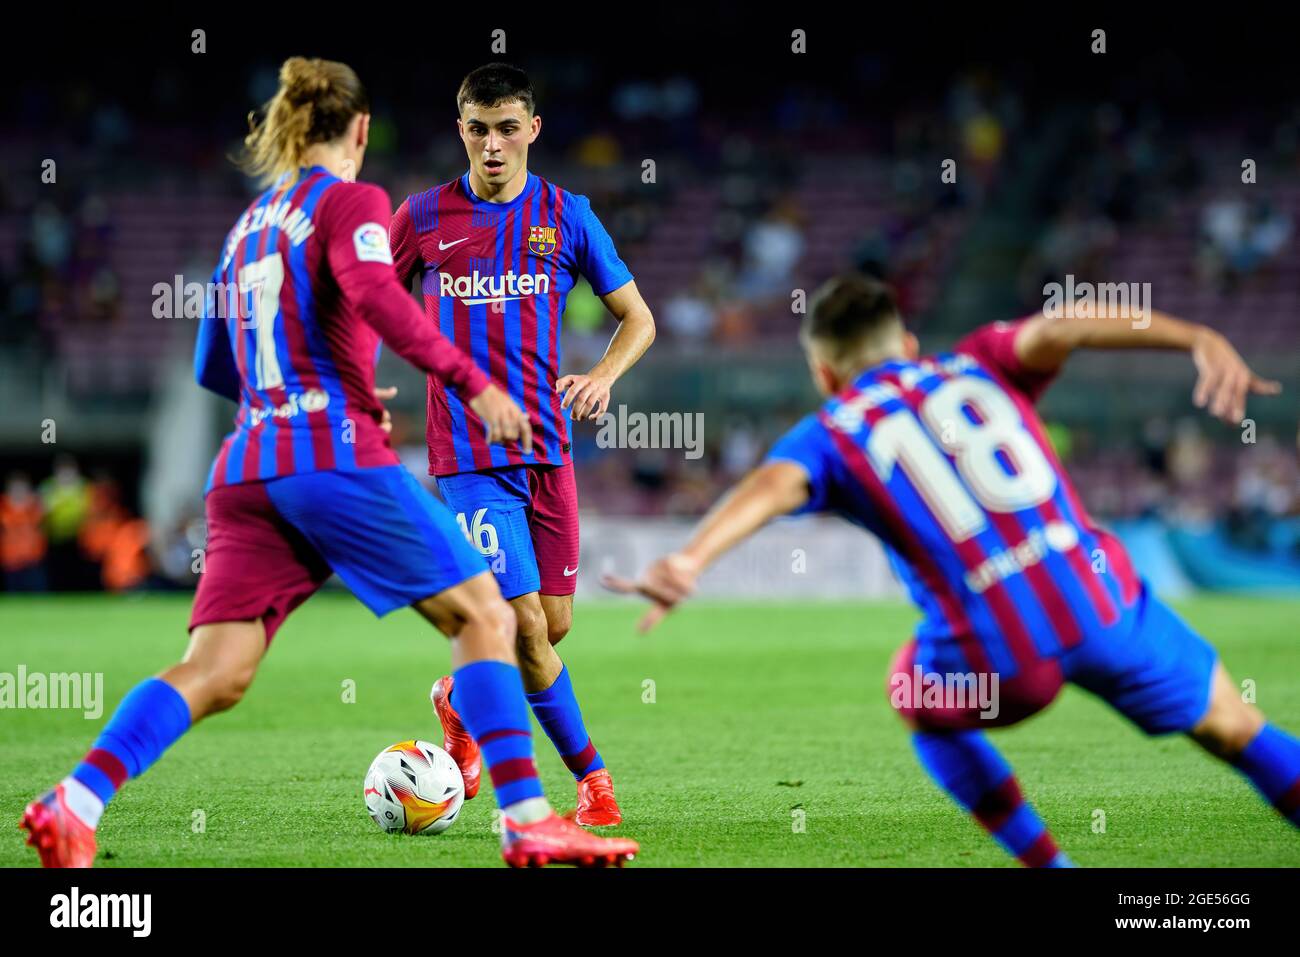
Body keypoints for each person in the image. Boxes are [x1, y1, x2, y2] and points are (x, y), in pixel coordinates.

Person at [20, 57, 637, 870]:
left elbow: (216, 365)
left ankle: (76, 800)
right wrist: (465, 383)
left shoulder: (251, 223)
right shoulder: (358, 202)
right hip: (333, 456)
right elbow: (381, 298)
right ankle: (527, 817)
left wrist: (317, 384)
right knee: (487, 617)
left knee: (218, 669)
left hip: (246, 465)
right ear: (358, 131)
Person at [606, 272, 1294, 865]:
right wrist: (1195, 336)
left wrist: (690, 556)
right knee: (1236, 725)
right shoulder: (979, 362)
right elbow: (1068, 324)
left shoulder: (832, 429)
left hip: (1000, 654)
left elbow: (770, 486)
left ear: (824, 374)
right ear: (907, 345)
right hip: (1099, 598)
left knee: (912, 689)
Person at [390, 63, 656, 825]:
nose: (494, 144)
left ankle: (460, 699)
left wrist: (603, 375)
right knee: (524, 626)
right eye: (479, 129)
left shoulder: (568, 215)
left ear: (532, 130)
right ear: (461, 131)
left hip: (549, 455)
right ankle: (592, 779)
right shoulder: (424, 217)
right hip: (470, 458)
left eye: (509, 128)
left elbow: (638, 317)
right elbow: (370, 301)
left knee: (554, 625)